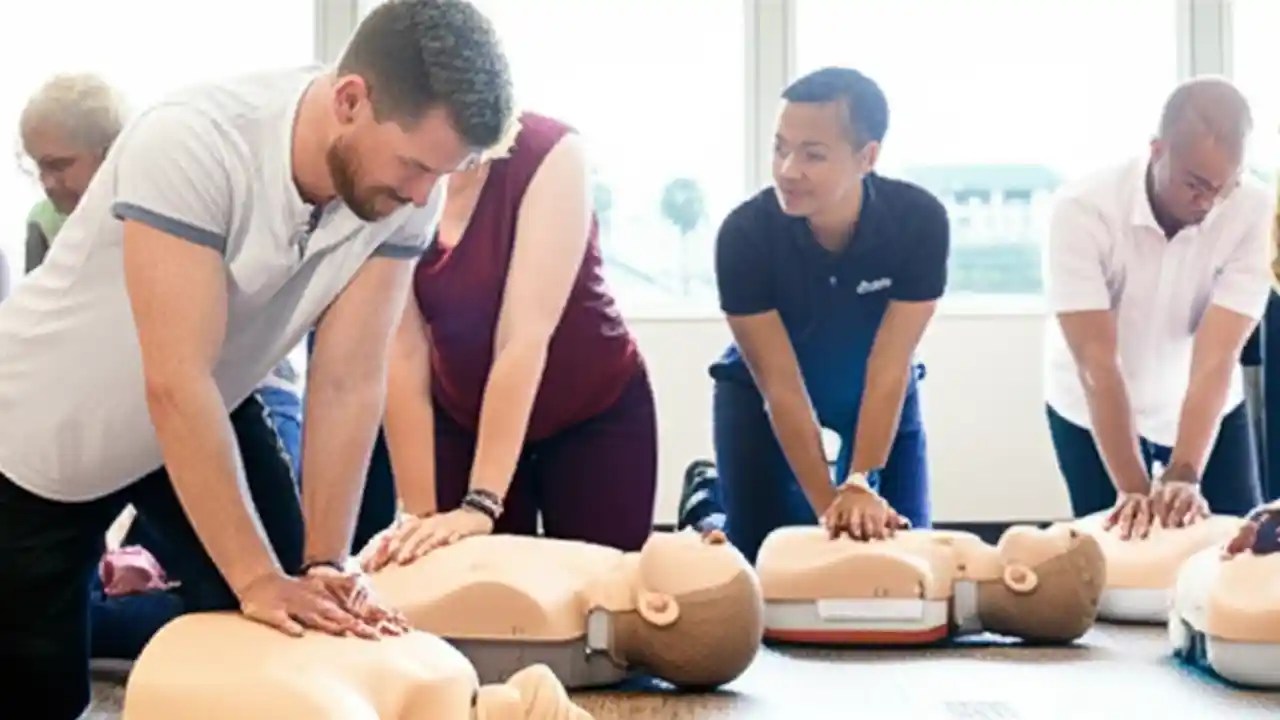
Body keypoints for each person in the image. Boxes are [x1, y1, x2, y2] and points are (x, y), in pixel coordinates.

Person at [0, 1, 515, 717]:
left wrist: (324, 564)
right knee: (43, 697)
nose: (424, 195)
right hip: (41, 442)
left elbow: (349, 378)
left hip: (202, 403)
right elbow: (172, 381)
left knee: (301, 620)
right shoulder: (192, 141)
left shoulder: (405, 189)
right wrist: (257, 579)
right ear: (350, 100)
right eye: (416, 165)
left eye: (444, 173)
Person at [359, 110, 657, 570]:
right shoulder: (395, 175)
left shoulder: (552, 153)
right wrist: (417, 516)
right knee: (452, 583)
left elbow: (523, 337)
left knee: (599, 596)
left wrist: (480, 504)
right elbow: (403, 351)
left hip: (591, 411)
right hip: (460, 415)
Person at [696, 66, 950, 565]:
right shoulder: (744, 237)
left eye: (812, 154)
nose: (788, 169)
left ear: (867, 157)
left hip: (880, 390)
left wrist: (858, 482)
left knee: (905, 556)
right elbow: (781, 389)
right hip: (762, 395)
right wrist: (831, 511)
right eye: (779, 148)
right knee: (771, 559)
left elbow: (890, 365)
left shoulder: (919, 222)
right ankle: (708, 501)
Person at [1044, 76, 1274, 542]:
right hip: (1090, 405)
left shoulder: (1254, 210)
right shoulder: (1081, 209)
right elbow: (1097, 366)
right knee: (1115, 553)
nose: (1207, 203)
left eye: (1222, 187)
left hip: (1203, 404)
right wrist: (1133, 490)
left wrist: (1185, 472)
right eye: (1194, 184)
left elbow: (1217, 358)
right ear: (1156, 150)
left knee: (1233, 549)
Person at [18, 72, 125, 273]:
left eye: (59, 166)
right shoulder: (44, 221)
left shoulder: (145, 215)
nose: (46, 183)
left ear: (108, 153)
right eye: (39, 167)